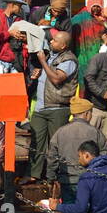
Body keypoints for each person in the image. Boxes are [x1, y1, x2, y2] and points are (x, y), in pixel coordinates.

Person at [46, 96, 107, 213]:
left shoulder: (60, 132)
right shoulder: (94, 132)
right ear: (86, 113)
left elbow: (51, 157)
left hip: (68, 181)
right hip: (91, 181)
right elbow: (105, 153)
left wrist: (51, 178)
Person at [26, 29, 77, 183]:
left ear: (63, 46)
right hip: (41, 108)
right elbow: (48, 74)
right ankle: (34, 174)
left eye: (55, 41)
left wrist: (42, 61)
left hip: (57, 108)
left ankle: (54, 177)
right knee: (36, 142)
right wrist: (39, 73)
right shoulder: (51, 56)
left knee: (56, 144)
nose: (51, 42)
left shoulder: (68, 60)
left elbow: (56, 79)